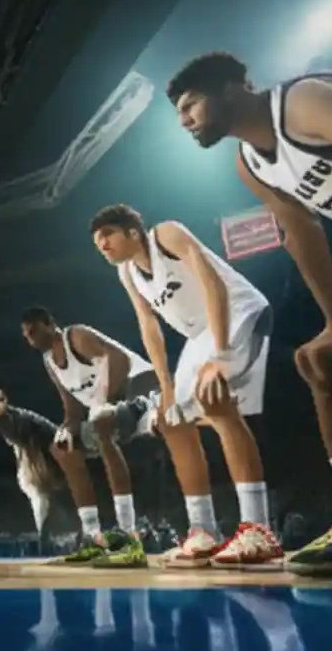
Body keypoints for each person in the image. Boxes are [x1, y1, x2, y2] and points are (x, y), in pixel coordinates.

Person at [165, 52, 332, 578]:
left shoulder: (302, 99)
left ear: (233, 88)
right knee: (323, 361)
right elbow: (301, 234)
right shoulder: (250, 163)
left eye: (190, 103)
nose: (184, 119)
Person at [91, 204, 284, 568]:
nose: (102, 245)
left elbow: (212, 280)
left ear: (133, 232)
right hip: (199, 336)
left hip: (237, 311)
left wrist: (222, 356)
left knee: (215, 400)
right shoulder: (127, 273)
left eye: (107, 235)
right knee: (169, 420)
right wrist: (165, 388)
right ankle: (203, 530)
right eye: (96, 241)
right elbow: (149, 327)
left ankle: (259, 530)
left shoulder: (165, 233)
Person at [0, 382, 152, 567]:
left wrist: (40, 471)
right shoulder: (4, 422)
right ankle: (91, 536)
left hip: (62, 444)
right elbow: (23, 447)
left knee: (100, 436)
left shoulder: (14, 420)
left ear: (3, 402)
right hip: (57, 450)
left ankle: (137, 410)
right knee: (100, 443)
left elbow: (33, 445)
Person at [20, 307, 159, 538]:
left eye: (33, 331)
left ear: (48, 322)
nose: (30, 339)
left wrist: (106, 403)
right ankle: (92, 534)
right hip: (109, 410)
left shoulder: (75, 336)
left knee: (101, 425)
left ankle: (128, 530)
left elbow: (120, 359)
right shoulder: (50, 362)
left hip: (141, 391)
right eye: (26, 335)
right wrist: (66, 428)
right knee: (62, 448)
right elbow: (72, 409)